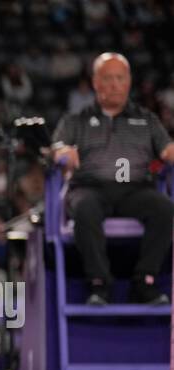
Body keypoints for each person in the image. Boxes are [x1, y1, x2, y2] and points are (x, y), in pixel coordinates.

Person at [51, 52, 174, 305]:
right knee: (84, 208)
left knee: (164, 208)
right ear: (96, 82)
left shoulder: (147, 119)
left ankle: (145, 282)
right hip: (90, 188)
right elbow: (56, 149)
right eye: (108, 78)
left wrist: (169, 153)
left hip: (136, 189)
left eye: (120, 78)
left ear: (129, 82)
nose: (115, 84)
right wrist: (63, 153)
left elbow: (167, 150)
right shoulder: (75, 120)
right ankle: (98, 284)